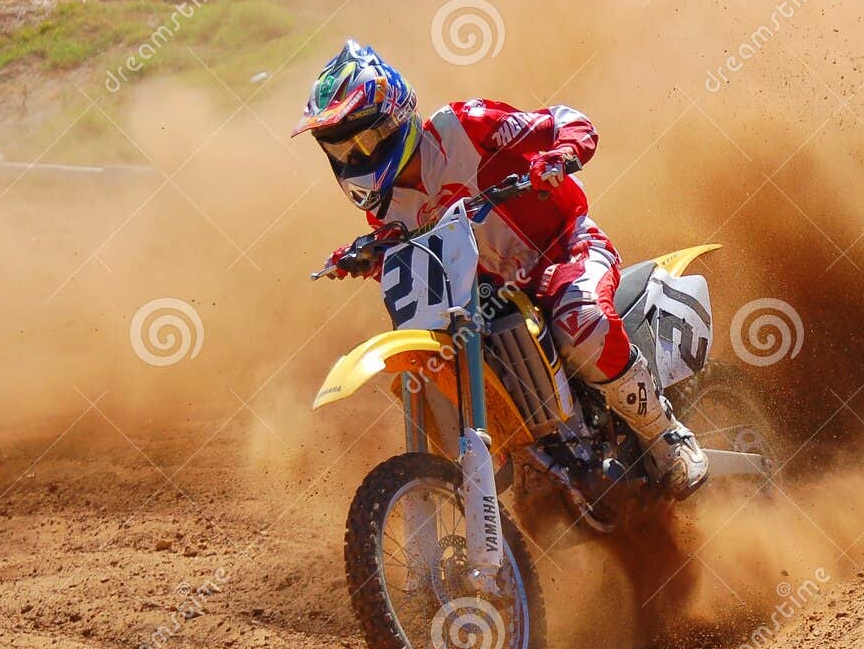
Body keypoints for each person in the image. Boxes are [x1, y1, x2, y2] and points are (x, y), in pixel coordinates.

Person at [292, 41, 708, 498]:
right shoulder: (388, 209)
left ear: (394, 119)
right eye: (340, 150)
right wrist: (368, 254)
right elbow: (406, 250)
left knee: (579, 319)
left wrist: (560, 154)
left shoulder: (461, 129)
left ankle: (666, 435)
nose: (353, 158)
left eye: (361, 142)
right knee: (456, 350)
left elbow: (566, 122)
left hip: (565, 249)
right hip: (493, 298)